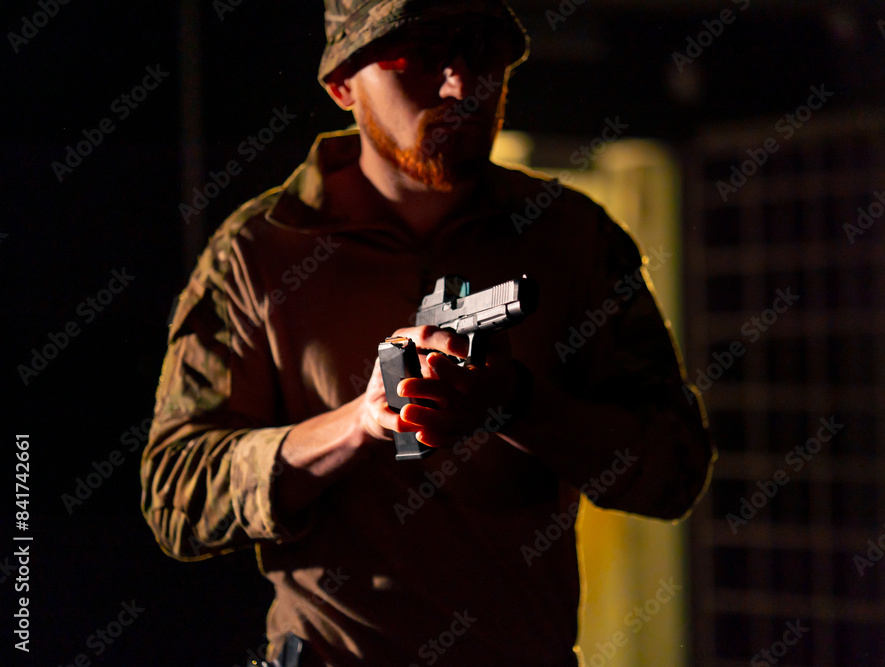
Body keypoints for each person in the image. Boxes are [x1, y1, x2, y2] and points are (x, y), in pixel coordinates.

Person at [140, 1, 715, 665]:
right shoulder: (259, 254)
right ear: (342, 86)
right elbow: (177, 496)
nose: (460, 84)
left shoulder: (572, 239)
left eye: (483, 53)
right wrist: (360, 423)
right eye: (414, 54)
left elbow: (675, 470)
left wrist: (518, 405)